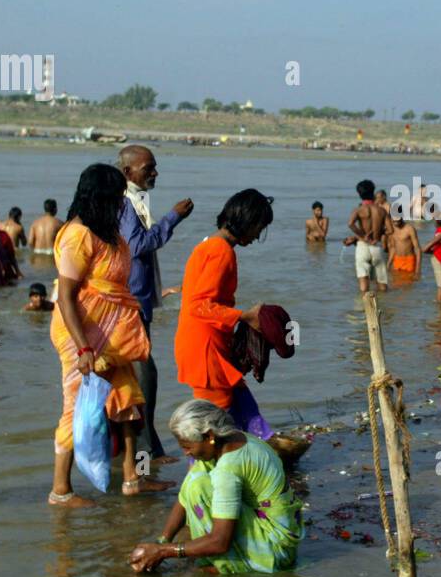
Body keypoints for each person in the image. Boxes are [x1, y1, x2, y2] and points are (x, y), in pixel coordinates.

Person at [48, 163, 173, 507]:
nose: (122, 203)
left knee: (128, 398)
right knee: (76, 407)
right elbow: (67, 297)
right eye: (117, 196)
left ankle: (132, 478)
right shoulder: (78, 235)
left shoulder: (107, 232)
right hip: (82, 334)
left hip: (113, 333)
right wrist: (84, 347)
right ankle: (60, 491)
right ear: (99, 197)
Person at [129, 399, 302, 575]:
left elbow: (220, 542)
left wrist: (164, 552)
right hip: (285, 527)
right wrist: (162, 541)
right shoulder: (235, 438)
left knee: (199, 487)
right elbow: (184, 495)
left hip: (275, 550)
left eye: (188, 447)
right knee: (194, 480)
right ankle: (214, 554)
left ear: (210, 436)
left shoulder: (228, 469)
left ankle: (224, 565)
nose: (186, 453)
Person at [174, 189, 276, 441]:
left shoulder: (208, 245)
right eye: (259, 228)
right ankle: (202, 472)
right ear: (248, 221)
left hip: (207, 342)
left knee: (240, 399)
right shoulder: (221, 252)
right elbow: (199, 305)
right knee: (213, 423)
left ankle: (264, 443)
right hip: (205, 347)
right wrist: (244, 316)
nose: (257, 236)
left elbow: (194, 295)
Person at [118, 144, 194, 467]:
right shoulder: (125, 204)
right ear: (128, 172)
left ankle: (147, 450)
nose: (154, 173)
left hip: (140, 299)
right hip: (131, 301)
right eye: (148, 168)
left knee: (142, 375)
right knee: (144, 375)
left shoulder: (136, 201)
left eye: (154, 167)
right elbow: (137, 245)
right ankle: (146, 452)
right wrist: (173, 218)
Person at [345, 179, 390, 293]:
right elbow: (390, 230)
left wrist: (363, 236)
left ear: (359, 194)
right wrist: (378, 233)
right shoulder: (381, 210)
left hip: (363, 246)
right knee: (382, 283)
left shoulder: (359, 210)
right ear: (373, 192)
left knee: (364, 283)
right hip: (377, 246)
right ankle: (382, 305)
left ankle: (364, 308)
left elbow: (350, 224)